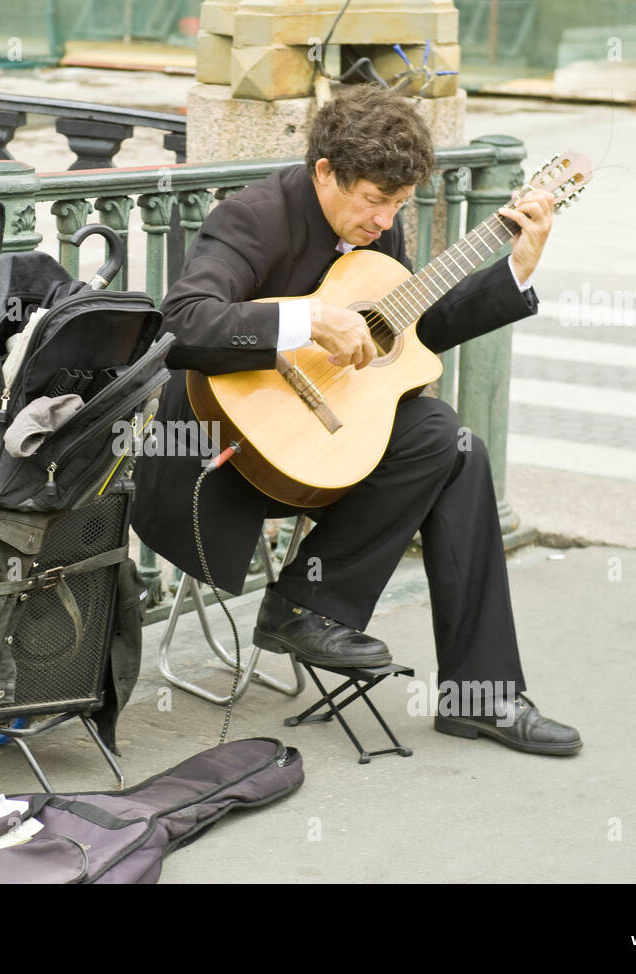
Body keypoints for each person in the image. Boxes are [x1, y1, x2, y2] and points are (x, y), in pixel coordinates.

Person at [131, 84, 581, 756]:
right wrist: (308, 319)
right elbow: (181, 325)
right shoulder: (253, 219)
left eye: (398, 204)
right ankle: (306, 608)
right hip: (223, 454)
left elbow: (412, 331)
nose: (385, 220)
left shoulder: (377, 226)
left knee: (454, 445)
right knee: (440, 439)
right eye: (374, 201)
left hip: (325, 445)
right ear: (324, 173)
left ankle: (478, 695)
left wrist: (516, 268)